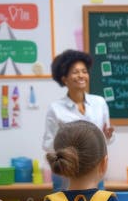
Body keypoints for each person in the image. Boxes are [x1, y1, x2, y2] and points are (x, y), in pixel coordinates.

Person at [43, 49, 115, 190]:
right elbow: (48, 144)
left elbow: (105, 141)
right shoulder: (55, 108)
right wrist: (69, 154)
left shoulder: (99, 103)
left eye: (84, 71)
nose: (81, 75)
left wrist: (107, 136)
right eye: (76, 72)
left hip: (94, 169)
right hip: (66, 172)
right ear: (64, 78)